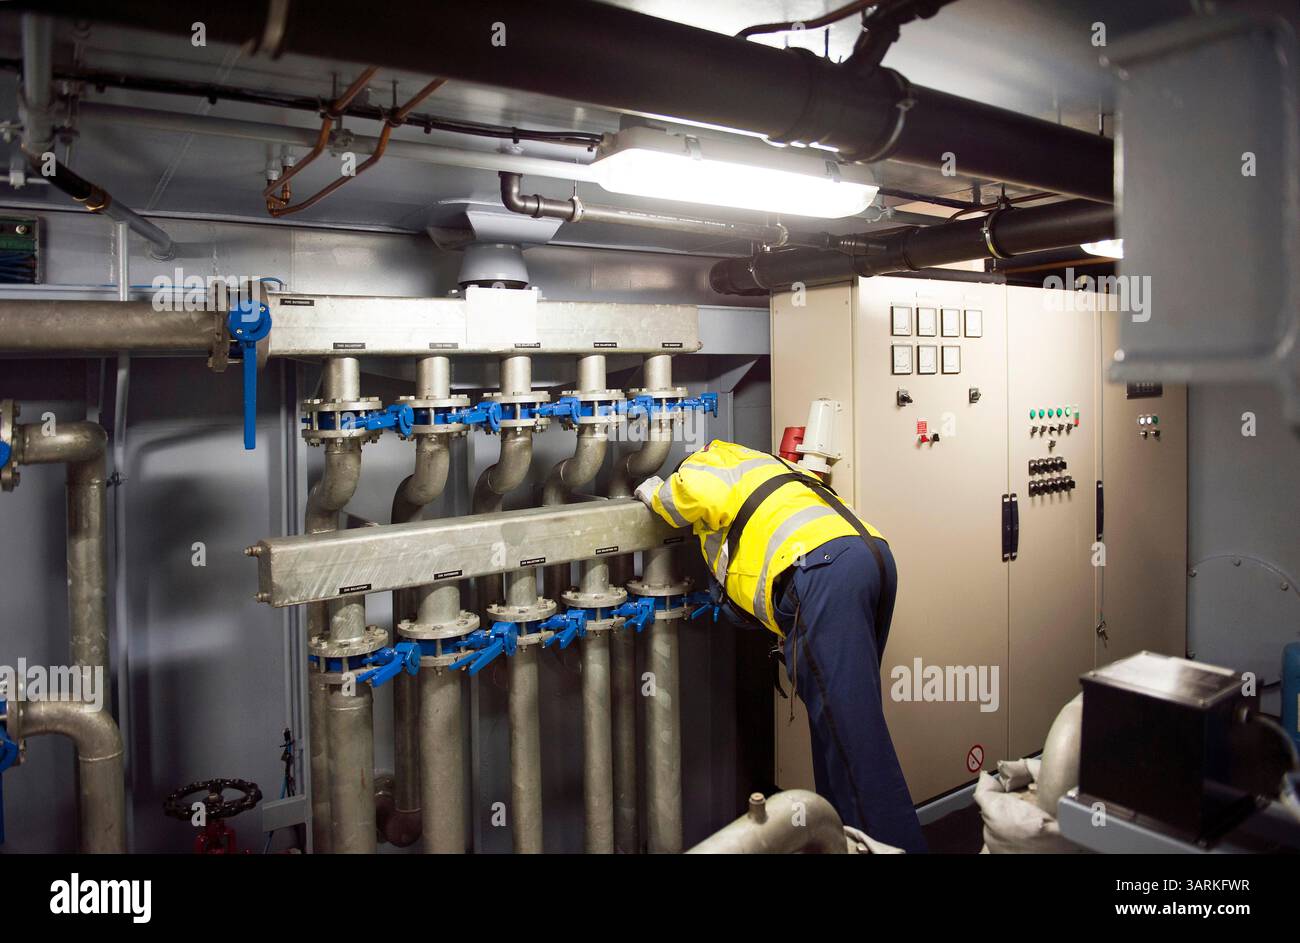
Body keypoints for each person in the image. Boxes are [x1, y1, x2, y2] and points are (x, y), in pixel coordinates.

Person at [635, 439, 926, 853]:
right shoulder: (767, 465)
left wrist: (657, 494)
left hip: (822, 576)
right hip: (871, 560)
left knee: (855, 745)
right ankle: (844, 844)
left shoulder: (705, 466)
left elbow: (697, 494)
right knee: (837, 735)